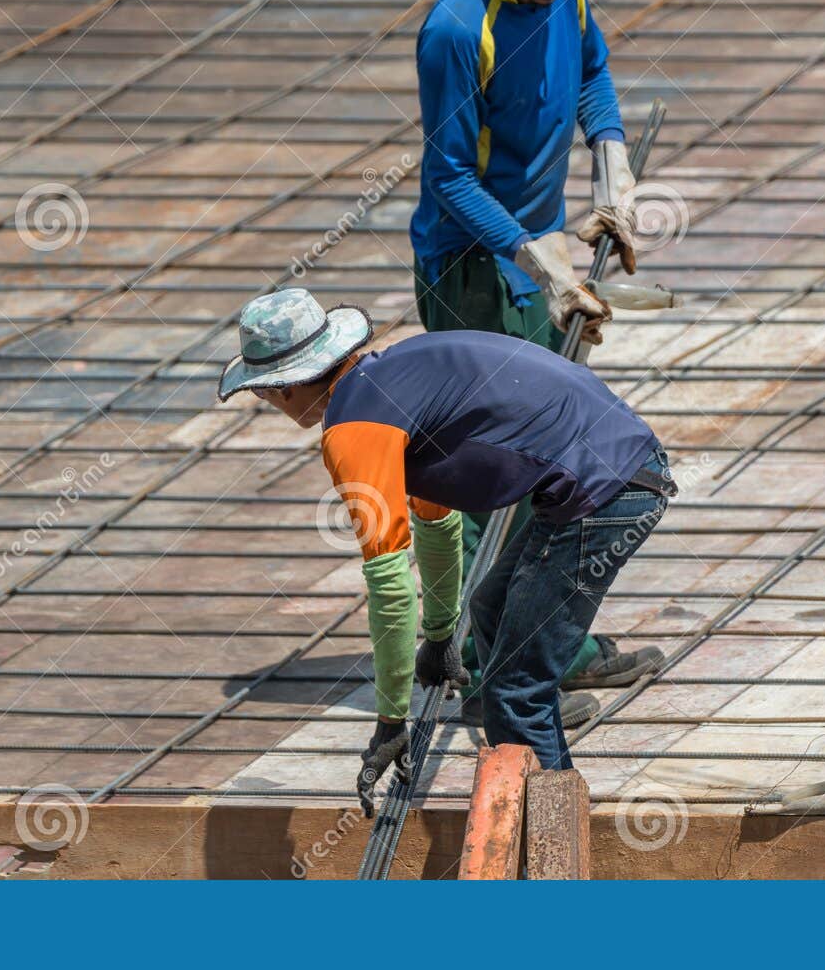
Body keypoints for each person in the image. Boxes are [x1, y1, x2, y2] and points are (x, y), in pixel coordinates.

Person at [218, 289, 673, 812]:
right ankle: (506, 717)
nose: (265, 401)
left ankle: (553, 851)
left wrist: (392, 720)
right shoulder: (397, 378)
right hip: (619, 463)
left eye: (264, 390)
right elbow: (437, 526)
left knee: (518, 694)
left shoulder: (354, 430)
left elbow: (388, 583)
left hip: (607, 491)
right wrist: (438, 638)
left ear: (285, 387)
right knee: (489, 607)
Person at [410, 0, 661, 715]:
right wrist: (539, 261)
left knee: (552, 460)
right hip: (472, 271)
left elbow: (591, 73)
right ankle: (496, 678)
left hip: (537, 251)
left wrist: (611, 158)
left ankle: (551, 646)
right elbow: (448, 178)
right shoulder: (457, 31)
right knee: (491, 477)